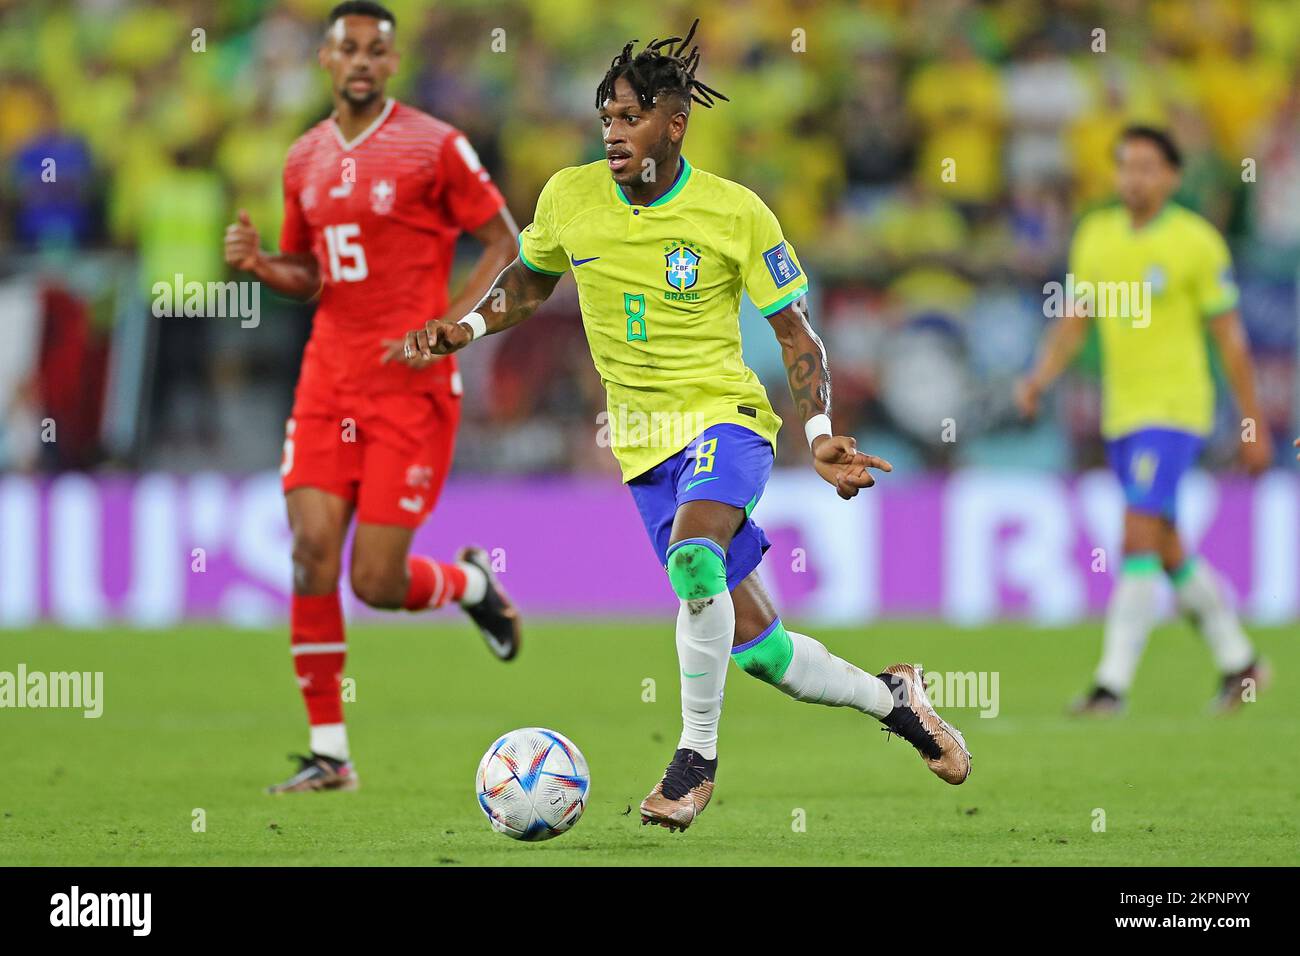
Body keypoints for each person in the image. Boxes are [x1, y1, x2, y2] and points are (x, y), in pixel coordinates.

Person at [403, 21, 970, 832]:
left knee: (694, 557)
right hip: (642, 448)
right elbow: (529, 283)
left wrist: (817, 438)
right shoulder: (570, 197)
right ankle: (899, 703)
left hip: (726, 421)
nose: (612, 132)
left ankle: (694, 758)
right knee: (764, 652)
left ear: (675, 124)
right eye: (606, 117)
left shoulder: (733, 213)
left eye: (630, 117)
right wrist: (464, 328)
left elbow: (796, 335)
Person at [223, 1, 522, 793]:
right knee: (311, 552)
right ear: (325, 58)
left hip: (411, 387)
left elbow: (504, 239)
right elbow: (312, 274)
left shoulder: (435, 146)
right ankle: (330, 754)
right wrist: (261, 266)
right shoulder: (302, 160)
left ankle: (472, 585)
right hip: (329, 380)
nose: (359, 59)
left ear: (392, 63)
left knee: (376, 584)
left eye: (374, 49)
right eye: (346, 46)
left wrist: (448, 326)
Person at [1017, 125, 1271, 716]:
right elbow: (1075, 321)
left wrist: (1252, 422)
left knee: (1135, 536)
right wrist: (1038, 378)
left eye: (1148, 168)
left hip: (1176, 410)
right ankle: (1241, 662)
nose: (1134, 178)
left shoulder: (1196, 242)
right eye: (1126, 166)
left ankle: (1111, 686)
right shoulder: (1097, 235)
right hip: (1123, 414)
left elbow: (1230, 339)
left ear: (1172, 177)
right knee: (1167, 547)